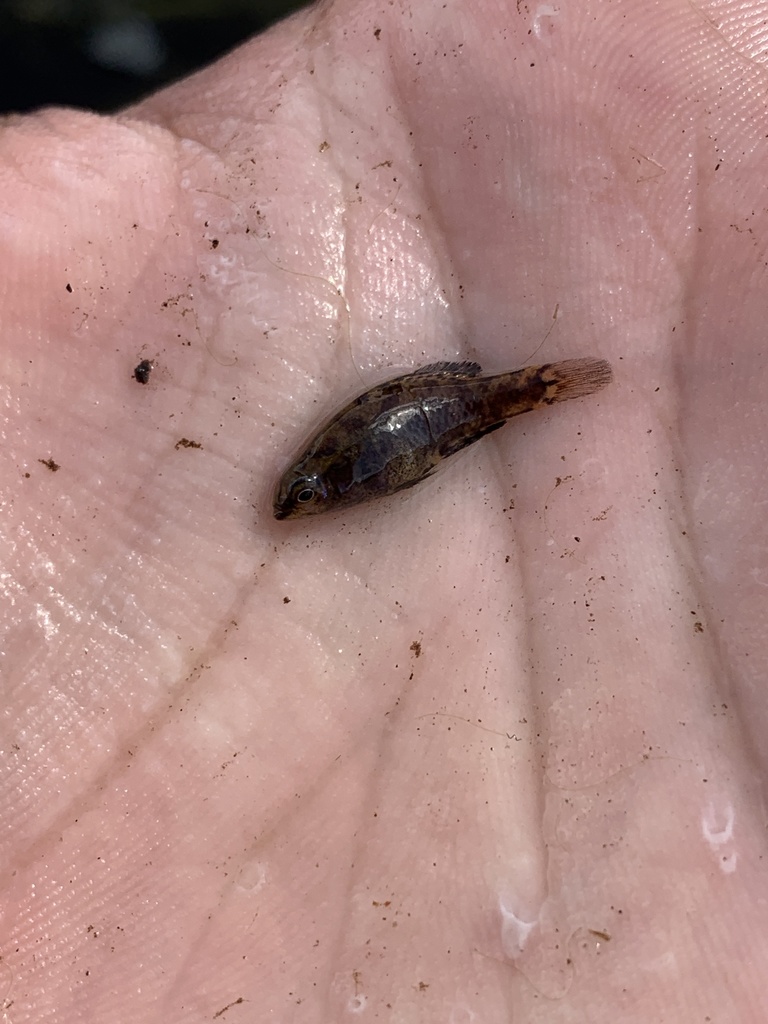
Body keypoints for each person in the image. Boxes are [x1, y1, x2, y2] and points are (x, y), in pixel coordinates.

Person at [2, 1, 765, 1020]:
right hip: (442, 415)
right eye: (296, 498)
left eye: (294, 498)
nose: (292, 502)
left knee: (482, 408)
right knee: (476, 411)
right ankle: (526, 390)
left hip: (444, 413)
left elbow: (375, 431)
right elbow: (376, 437)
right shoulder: (321, 481)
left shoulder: (323, 477)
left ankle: (530, 389)